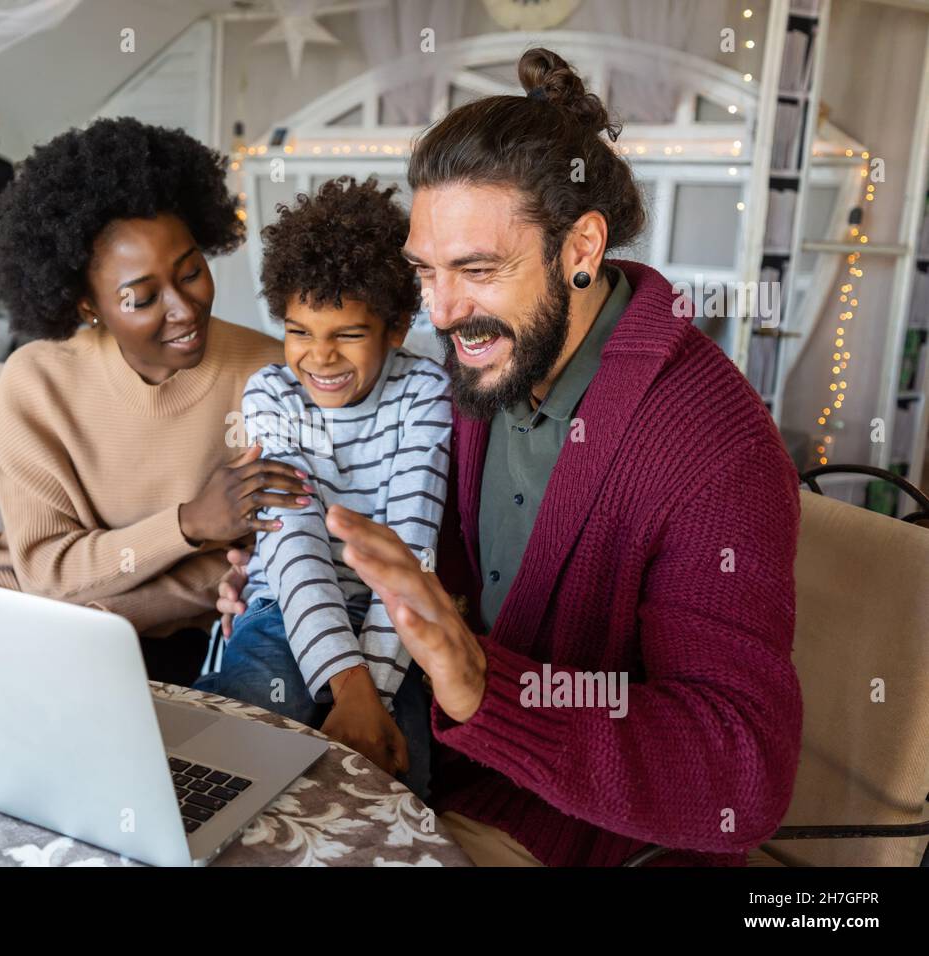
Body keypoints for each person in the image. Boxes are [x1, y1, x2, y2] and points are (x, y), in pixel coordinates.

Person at [217, 49, 803, 866]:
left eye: (479, 270)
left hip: (563, 831)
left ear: (581, 247)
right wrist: (284, 587)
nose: (442, 311)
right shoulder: (478, 375)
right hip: (425, 767)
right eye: (425, 272)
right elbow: (424, 571)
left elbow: (742, 776)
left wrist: (487, 690)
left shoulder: (713, 446)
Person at [0, 117, 309, 687]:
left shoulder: (270, 373)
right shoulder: (36, 384)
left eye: (191, 271)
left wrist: (109, 614)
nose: (184, 308)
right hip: (17, 613)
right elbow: (45, 571)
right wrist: (190, 524)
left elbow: (264, 561)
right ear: (88, 307)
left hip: (165, 638)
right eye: (142, 297)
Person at [195, 178, 451, 797]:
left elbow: (408, 555)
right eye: (299, 330)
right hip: (283, 607)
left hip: (388, 626)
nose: (319, 357)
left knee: (397, 787)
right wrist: (349, 686)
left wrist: (373, 697)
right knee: (221, 764)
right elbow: (292, 537)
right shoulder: (271, 393)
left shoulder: (424, 395)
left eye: (348, 334)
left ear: (395, 327)